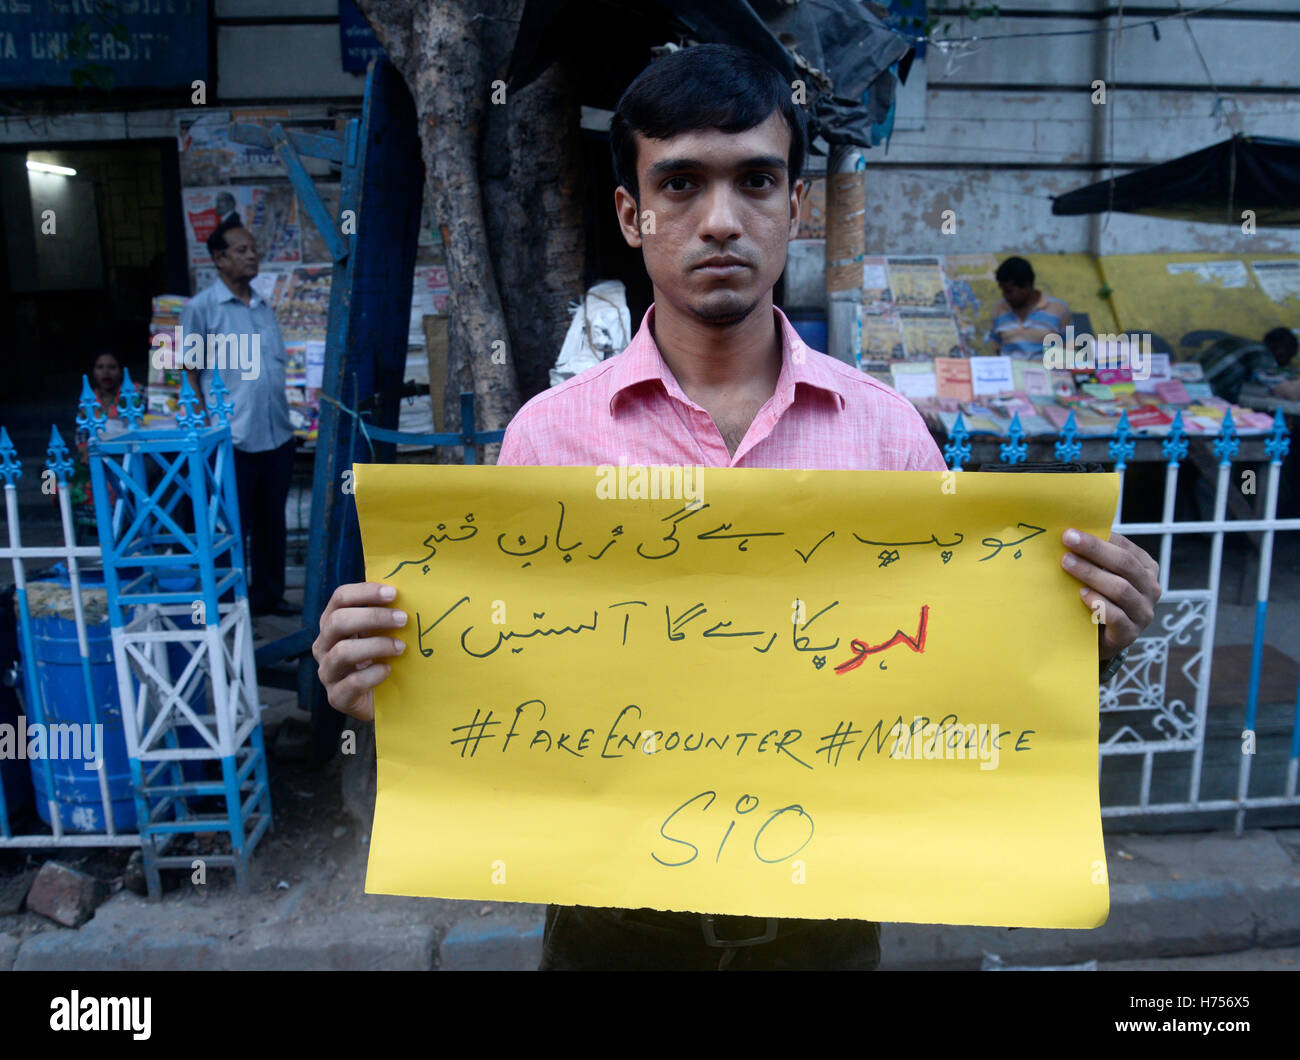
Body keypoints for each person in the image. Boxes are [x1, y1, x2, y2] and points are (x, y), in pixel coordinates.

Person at [311, 44, 1162, 970]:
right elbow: (500, 694)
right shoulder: (546, 444)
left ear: (795, 207)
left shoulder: (889, 440)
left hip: (823, 939)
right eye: (679, 184)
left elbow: (956, 686)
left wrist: (1088, 641)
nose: (720, 220)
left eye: (756, 180)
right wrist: (381, 681)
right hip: (610, 938)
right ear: (632, 216)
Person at [183, 218, 298, 617]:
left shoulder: (263, 304)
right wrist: (205, 422)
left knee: (272, 523)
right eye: (241, 251)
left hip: (277, 432)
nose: (252, 256)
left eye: (253, 250)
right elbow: (187, 369)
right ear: (218, 259)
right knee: (230, 526)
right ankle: (230, 603)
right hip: (231, 437)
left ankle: (269, 595)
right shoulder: (200, 308)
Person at [985, 257, 1072, 358]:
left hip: (1047, 371)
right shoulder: (998, 309)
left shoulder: (1060, 309)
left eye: (1009, 291)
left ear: (1026, 287)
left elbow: (1069, 345)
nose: (1004, 296)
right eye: (1003, 290)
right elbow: (996, 345)